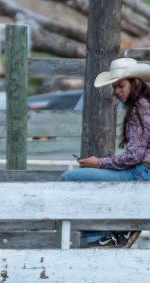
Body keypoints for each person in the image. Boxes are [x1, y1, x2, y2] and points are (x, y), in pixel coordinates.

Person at [61, 58, 150, 248]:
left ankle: (100, 235)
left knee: (70, 178)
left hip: (141, 173)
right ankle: (118, 229)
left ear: (135, 82)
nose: (117, 92)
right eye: (115, 87)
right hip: (143, 170)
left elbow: (134, 156)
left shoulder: (140, 109)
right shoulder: (145, 105)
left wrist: (98, 163)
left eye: (120, 86)